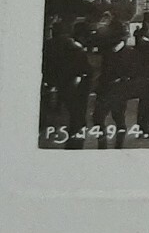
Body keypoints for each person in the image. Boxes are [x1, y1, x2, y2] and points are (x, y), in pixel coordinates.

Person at [41, 17, 91, 149]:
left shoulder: (48, 45)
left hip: (55, 82)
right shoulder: (74, 47)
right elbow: (85, 69)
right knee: (76, 115)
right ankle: (75, 141)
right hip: (74, 84)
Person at [91, 26, 135, 149]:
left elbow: (133, 72)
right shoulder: (108, 51)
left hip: (118, 89)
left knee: (118, 119)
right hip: (105, 89)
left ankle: (118, 146)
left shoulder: (129, 53)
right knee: (98, 118)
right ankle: (102, 146)